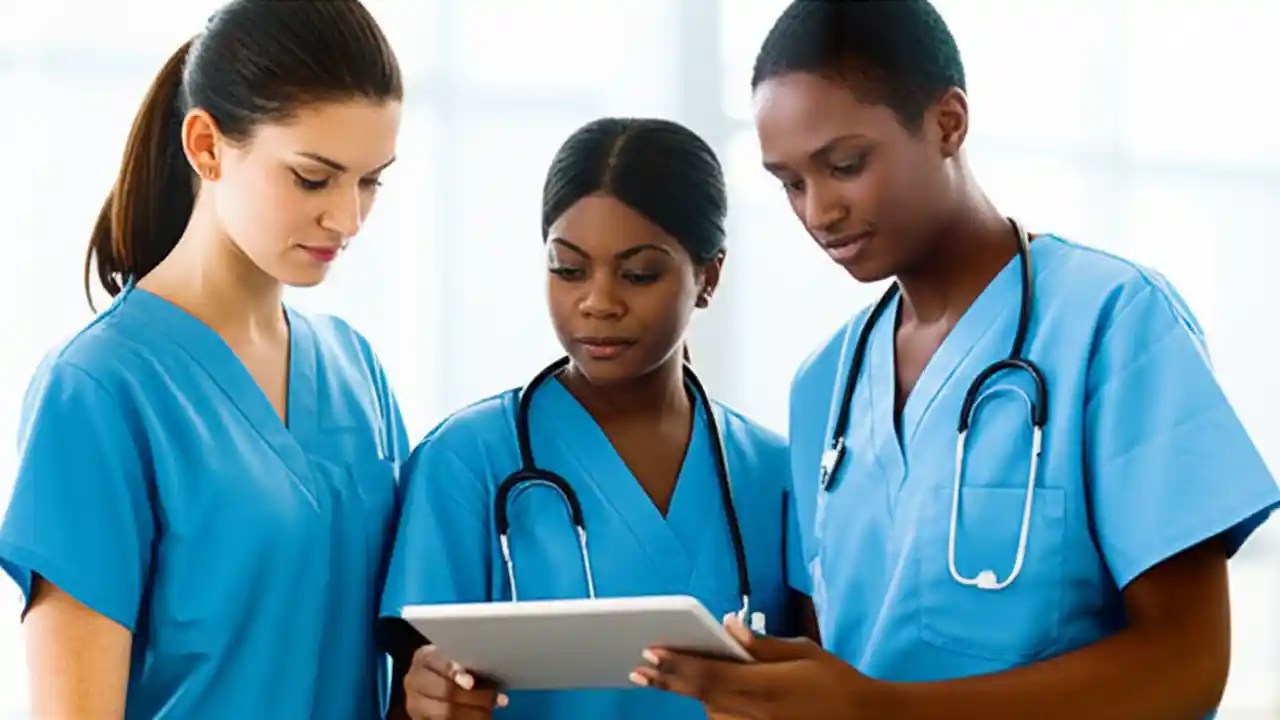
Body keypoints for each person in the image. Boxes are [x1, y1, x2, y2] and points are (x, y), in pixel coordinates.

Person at [633, 2, 1280, 718]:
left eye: (845, 165)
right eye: (790, 182)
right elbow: (840, 663)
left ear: (948, 123)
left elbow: (1185, 665)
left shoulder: (1113, 320)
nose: (819, 212)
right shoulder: (827, 384)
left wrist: (881, 712)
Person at [0, 1, 409, 717]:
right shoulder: (98, 388)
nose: (347, 219)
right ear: (207, 146)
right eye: (314, 178)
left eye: (370, 181)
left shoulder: (357, 373)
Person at [378, 117, 815, 719]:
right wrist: (425, 698)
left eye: (638, 274)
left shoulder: (775, 474)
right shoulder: (467, 459)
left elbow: (814, 685)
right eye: (568, 269)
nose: (598, 302)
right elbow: (412, 696)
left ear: (707, 278)